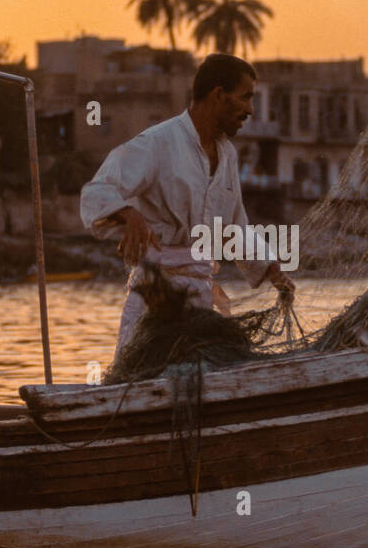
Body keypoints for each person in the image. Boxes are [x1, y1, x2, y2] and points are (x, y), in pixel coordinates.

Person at [80, 53, 295, 356]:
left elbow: (234, 228)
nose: (250, 110)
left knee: (198, 374)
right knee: (145, 374)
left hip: (199, 298)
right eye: (245, 98)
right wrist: (128, 214)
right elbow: (97, 190)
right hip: (155, 296)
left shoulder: (228, 155)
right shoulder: (158, 142)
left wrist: (272, 270)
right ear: (218, 95)